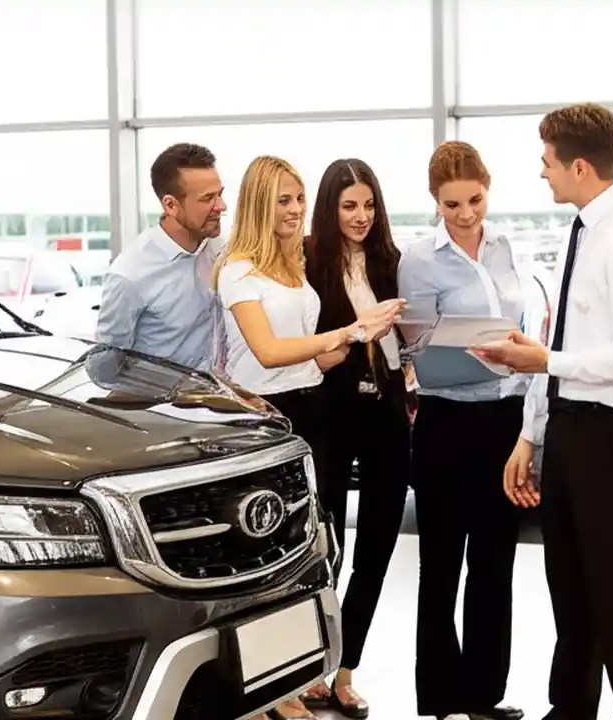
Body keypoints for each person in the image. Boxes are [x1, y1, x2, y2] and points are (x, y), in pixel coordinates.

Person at [473, 103, 613, 720]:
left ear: (579, 165)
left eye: (547, 161)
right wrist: (531, 435)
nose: (542, 172)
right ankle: (572, 707)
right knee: (570, 583)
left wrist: (546, 365)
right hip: (566, 427)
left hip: (609, 436)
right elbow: (559, 342)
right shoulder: (579, 229)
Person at [213, 155, 401, 720]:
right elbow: (268, 352)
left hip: (313, 407)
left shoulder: (293, 265)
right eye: (284, 201)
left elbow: (308, 355)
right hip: (269, 419)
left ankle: (317, 675)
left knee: (318, 553)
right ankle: (281, 688)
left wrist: (354, 349)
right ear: (258, 205)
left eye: (298, 199)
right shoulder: (239, 269)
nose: (294, 211)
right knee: (284, 558)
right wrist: (346, 334)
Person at [397, 141, 526, 720]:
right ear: (435, 200)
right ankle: (440, 699)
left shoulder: (506, 248)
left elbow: (521, 323)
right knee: (443, 565)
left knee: (496, 565)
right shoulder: (419, 259)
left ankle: (483, 696)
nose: (466, 214)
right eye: (452, 205)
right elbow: (418, 351)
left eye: (474, 200)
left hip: (505, 419)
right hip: (447, 422)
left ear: (487, 188)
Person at [298, 158, 411, 719]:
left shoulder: (392, 261)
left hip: (388, 412)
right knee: (326, 551)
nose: (361, 216)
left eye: (368, 205)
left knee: (377, 550)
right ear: (330, 207)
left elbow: (406, 341)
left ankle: (345, 672)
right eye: (349, 206)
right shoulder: (308, 261)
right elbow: (309, 346)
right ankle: (308, 674)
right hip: (330, 415)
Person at [96, 142, 227, 371]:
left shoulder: (219, 248)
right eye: (208, 199)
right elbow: (104, 367)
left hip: (217, 398)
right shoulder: (129, 275)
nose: (221, 206)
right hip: (160, 404)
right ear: (171, 205)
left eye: (220, 195)